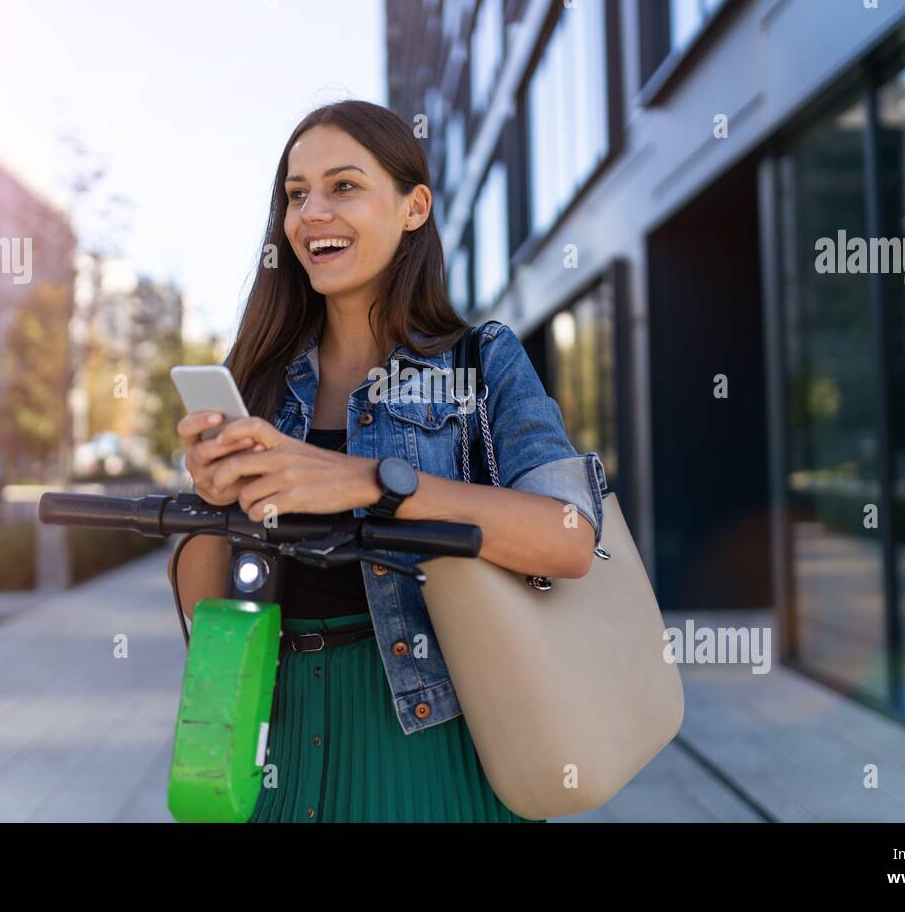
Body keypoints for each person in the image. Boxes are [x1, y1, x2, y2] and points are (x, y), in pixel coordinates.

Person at [172, 99, 607, 823]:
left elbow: (568, 537)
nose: (312, 212)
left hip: (429, 736)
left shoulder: (481, 360)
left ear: (414, 207)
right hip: (272, 734)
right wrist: (213, 502)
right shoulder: (258, 378)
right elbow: (206, 614)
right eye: (295, 193)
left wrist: (372, 481)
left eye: (343, 186)